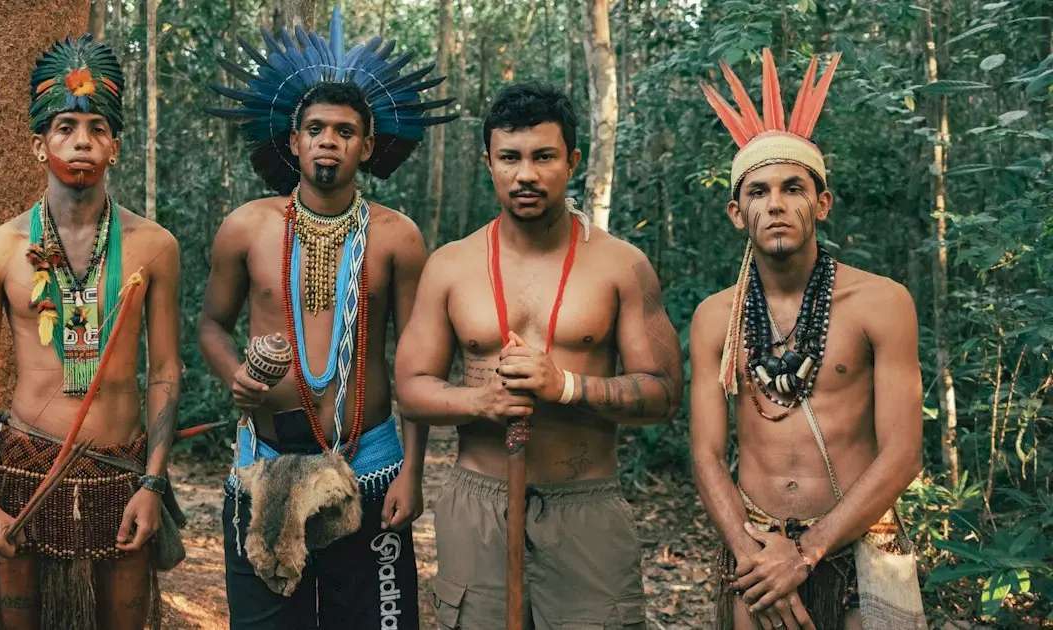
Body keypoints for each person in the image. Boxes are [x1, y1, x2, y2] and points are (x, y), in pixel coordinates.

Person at [199, 9, 455, 629]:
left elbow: (415, 362)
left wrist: (413, 473)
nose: (328, 141)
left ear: (366, 146)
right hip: (266, 467)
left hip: (369, 463)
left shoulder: (399, 238)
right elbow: (211, 323)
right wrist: (236, 374)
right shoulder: (247, 226)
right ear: (293, 141)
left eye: (344, 131)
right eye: (315, 128)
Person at [394, 82, 683, 629]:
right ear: (489, 163)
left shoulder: (622, 266)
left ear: (571, 161)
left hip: (585, 505)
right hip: (479, 504)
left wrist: (569, 387)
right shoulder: (452, 266)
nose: (525, 174)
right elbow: (411, 388)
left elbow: (665, 394)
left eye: (543, 156)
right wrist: (483, 400)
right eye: (510, 157)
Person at [690, 50, 924, 630]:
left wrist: (809, 550)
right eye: (758, 192)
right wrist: (752, 554)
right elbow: (706, 453)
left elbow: (903, 453)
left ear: (821, 203)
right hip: (757, 552)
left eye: (793, 188)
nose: (775, 204)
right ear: (736, 213)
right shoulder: (715, 318)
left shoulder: (881, 303)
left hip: (856, 545)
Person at [0, 34, 181, 629]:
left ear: (116, 145)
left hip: (122, 470)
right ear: (39, 145)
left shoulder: (154, 248)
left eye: (97, 127)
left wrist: (153, 484)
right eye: (65, 126)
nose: (82, 141)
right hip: (26, 470)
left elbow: (164, 371)